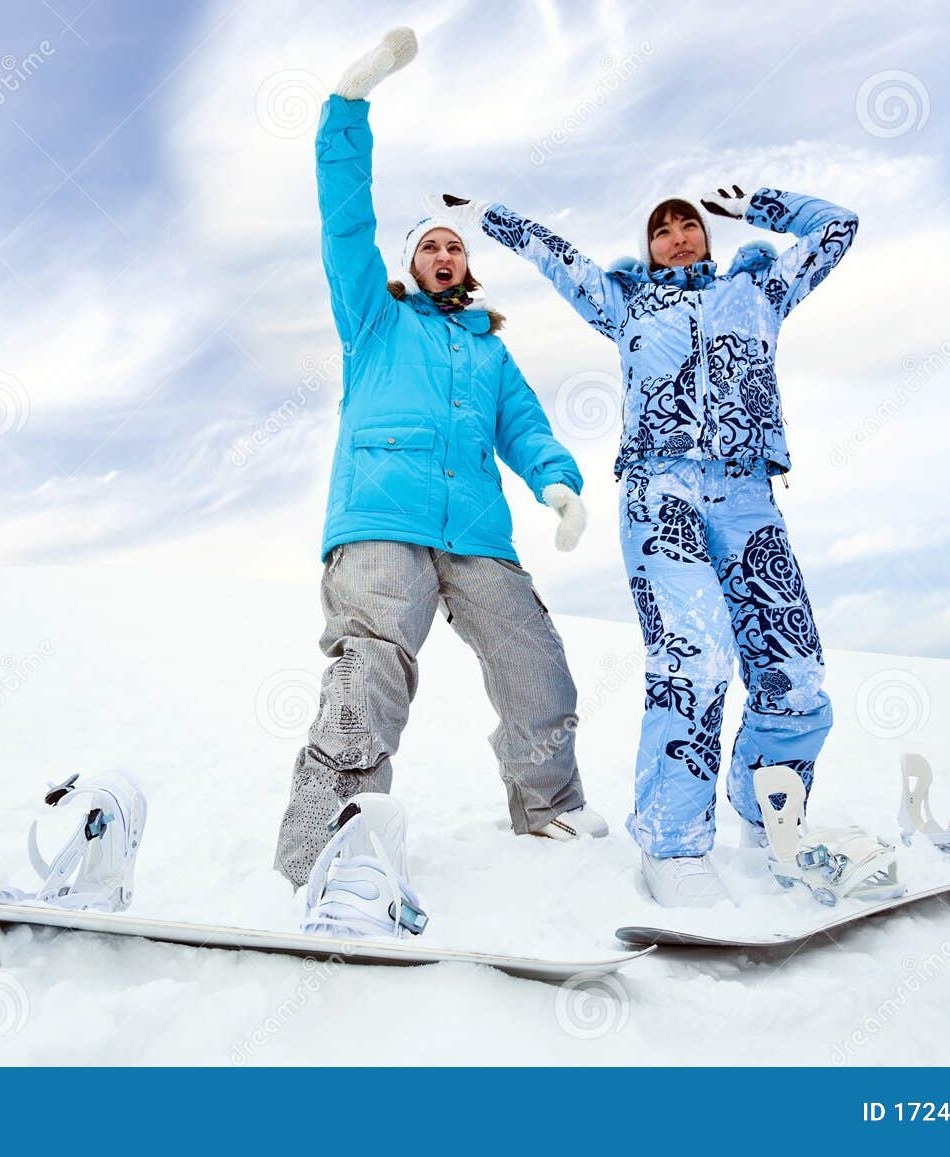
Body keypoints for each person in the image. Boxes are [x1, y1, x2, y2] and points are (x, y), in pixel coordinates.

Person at [433, 180, 857, 906]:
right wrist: (488, 217)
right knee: (695, 653)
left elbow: (838, 229)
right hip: (661, 496)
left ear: (708, 236)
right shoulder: (626, 302)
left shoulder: (758, 292)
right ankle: (672, 843)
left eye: (688, 225)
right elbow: (557, 256)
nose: (677, 236)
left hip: (748, 498)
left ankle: (771, 811)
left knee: (795, 673)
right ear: (650, 250)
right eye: (662, 230)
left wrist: (758, 204)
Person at [274, 29, 608, 933]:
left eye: (456, 245)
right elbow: (344, 222)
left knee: (535, 660)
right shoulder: (373, 321)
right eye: (431, 245)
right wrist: (347, 110)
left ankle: (551, 807)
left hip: (477, 532)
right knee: (372, 667)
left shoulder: (490, 350)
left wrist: (558, 483)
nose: (446, 254)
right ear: (412, 263)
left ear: (468, 263)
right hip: (383, 523)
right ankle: (323, 845)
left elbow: (526, 426)